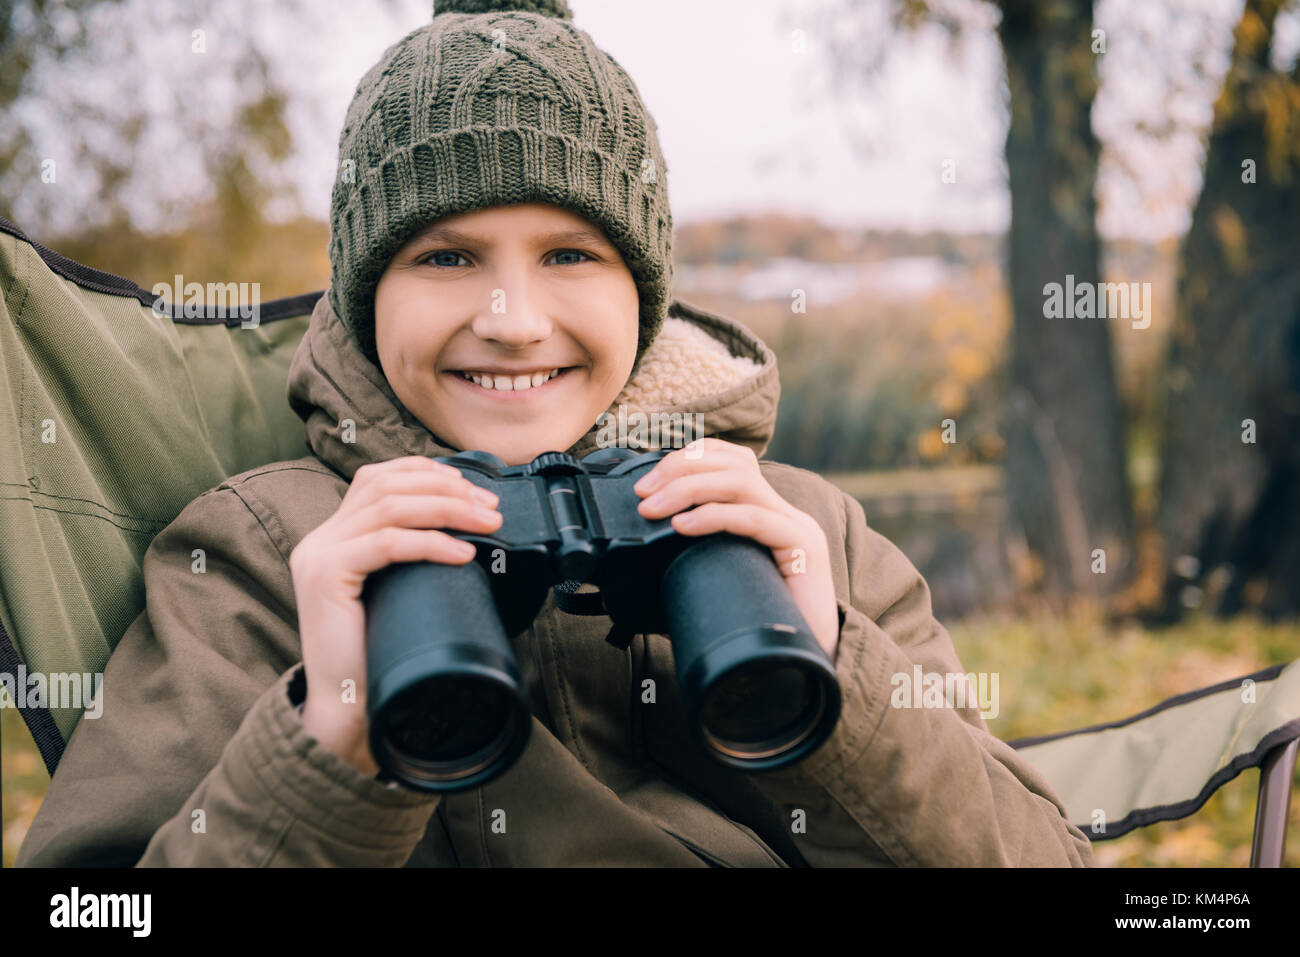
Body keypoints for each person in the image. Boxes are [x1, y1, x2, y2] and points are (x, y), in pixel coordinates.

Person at [17, 0, 1094, 867]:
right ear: (363, 296)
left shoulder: (804, 531)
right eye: (445, 257)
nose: (514, 319)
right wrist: (331, 738)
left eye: (572, 255)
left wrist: (833, 674)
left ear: (645, 292)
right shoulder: (262, 554)